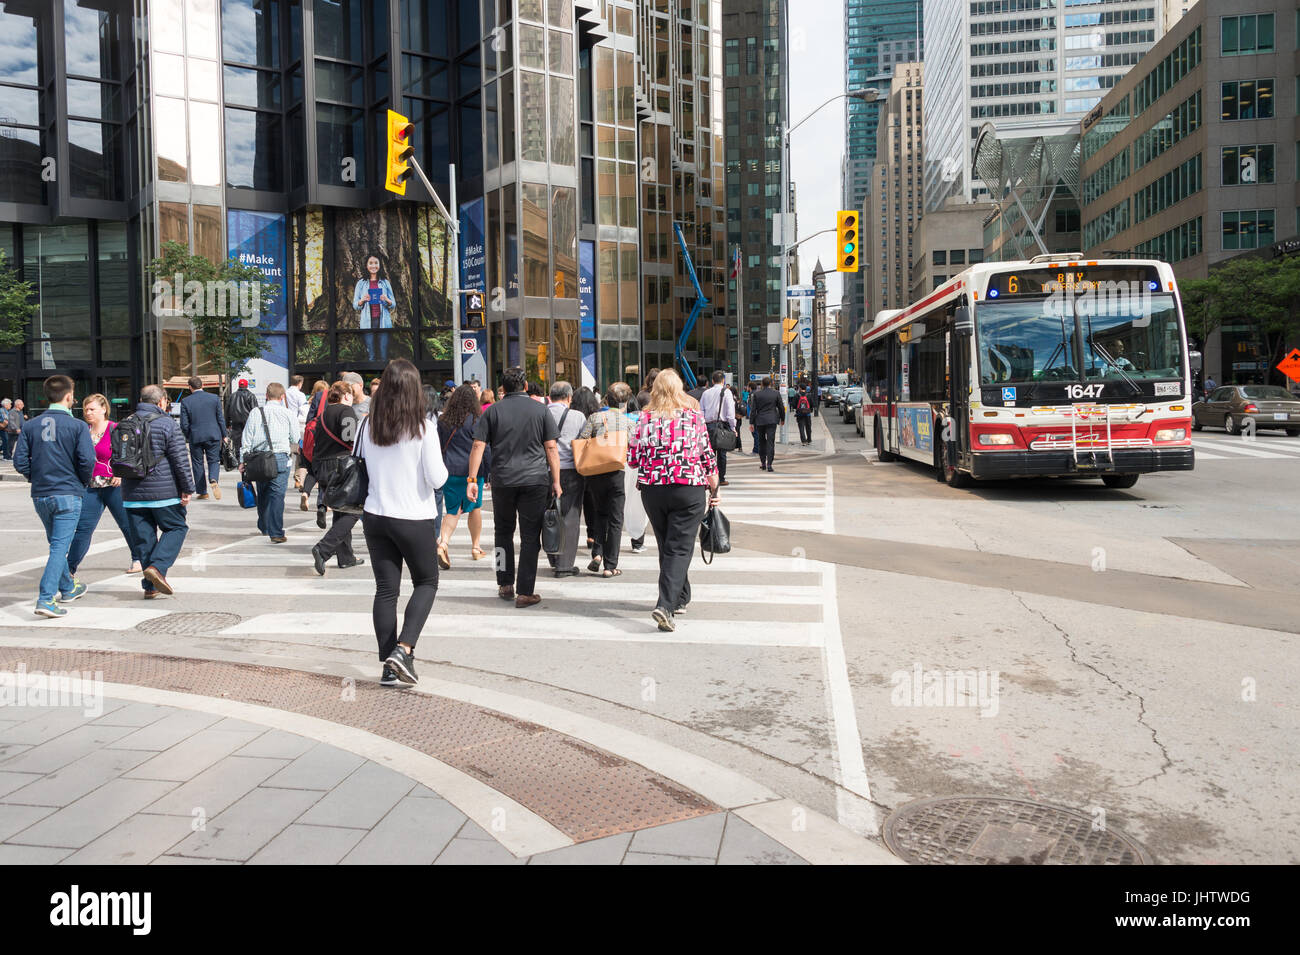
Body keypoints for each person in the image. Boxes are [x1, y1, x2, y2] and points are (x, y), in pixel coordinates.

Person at [357, 358, 448, 686]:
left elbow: (365, 465)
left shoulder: (369, 425)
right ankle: (404, 649)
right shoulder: (424, 428)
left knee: (385, 590)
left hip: (375, 514)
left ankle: (387, 664)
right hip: (412, 516)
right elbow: (437, 479)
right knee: (426, 582)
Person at [628, 369, 719, 632]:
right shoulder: (693, 417)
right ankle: (666, 605)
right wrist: (714, 487)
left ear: (654, 390)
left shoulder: (644, 419)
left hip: (653, 490)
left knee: (668, 543)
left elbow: (632, 458)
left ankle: (680, 596)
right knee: (679, 547)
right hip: (687, 487)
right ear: (679, 390)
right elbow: (706, 453)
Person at [466, 366, 561, 608]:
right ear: (525, 386)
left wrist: (472, 479)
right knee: (530, 537)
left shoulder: (492, 411)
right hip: (534, 480)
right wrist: (557, 481)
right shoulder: (541, 410)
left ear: (503, 388)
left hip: (503, 480)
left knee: (502, 533)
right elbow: (551, 448)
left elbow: (478, 446)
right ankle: (525, 591)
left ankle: (504, 583)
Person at [13, 376, 97, 617]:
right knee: (59, 547)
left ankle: (68, 588)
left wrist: (35, 477)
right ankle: (46, 598)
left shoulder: (31, 425)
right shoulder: (78, 426)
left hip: (41, 494)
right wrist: (80, 481)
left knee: (56, 544)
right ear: (69, 397)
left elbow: (20, 461)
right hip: (68, 492)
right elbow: (87, 460)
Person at [120, 384, 194, 599]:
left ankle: (149, 587)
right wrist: (187, 488)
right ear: (161, 401)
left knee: (144, 540)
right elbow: (180, 460)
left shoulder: (125, 423)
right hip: (164, 492)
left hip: (132, 494)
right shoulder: (167, 423)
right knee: (176, 528)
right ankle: (158, 568)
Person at [66, 393, 147, 578]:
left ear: (104, 409)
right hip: (90, 487)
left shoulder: (116, 429)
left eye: (92, 409)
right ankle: (69, 568)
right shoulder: (82, 431)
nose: (88, 412)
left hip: (114, 485)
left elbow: (130, 455)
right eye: (86, 409)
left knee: (127, 524)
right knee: (84, 527)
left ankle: (138, 559)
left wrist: (121, 475)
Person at [309, 381, 365, 575]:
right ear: (347, 395)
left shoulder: (324, 413)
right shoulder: (346, 411)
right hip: (340, 466)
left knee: (341, 511)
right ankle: (323, 549)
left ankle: (346, 557)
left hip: (323, 466)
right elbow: (350, 437)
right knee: (353, 510)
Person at [577, 382, 632, 576]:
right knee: (615, 519)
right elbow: (634, 447)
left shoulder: (595, 417)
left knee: (600, 513)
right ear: (625, 402)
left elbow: (583, 439)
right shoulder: (628, 422)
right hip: (616, 471)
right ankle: (611, 565)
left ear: (607, 399)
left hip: (596, 472)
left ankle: (597, 554)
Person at [436, 383, 491, 568]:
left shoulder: (443, 420)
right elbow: (484, 448)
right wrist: (489, 471)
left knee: (453, 510)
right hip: (472, 472)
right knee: (474, 508)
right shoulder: (477, 420)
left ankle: (443, 543)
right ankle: (476, 547)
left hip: (449, 470)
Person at [239, 381, 300, 543]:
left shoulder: (255, 412)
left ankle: (265, 526)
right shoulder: (288, 414)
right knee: (277, 496)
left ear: (266, 396)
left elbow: (247, 438)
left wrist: (242, 460)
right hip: (280, 458)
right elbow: (295, 438)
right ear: (282, 397)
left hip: (259, 458)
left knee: (263, 493)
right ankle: (276, 532)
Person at [545, 381, 588, 577]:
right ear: (569, 397)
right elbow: (585, 440)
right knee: (570, 516)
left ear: (550, 395)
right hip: (570, 470)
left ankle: (553, 556)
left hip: (544, 470)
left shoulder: (541, 413)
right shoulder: (578, 416)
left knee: (549, 514)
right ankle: (564, 565)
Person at [179, 376, 226, 500]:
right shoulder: (214, 398)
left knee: (197, 463)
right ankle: (213, 478)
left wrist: (189, 435)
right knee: (213, 460)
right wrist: (224, 435)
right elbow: (220, 419)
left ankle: (202, 492)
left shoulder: (186, 401)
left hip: (196, 436)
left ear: (190, 387)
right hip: (213, 435)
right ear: (202, 386)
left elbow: (184, 424)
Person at [352, 254, 395, 362]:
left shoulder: (385, 282)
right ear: (366, 265)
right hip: (367, 322)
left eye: (376, 263)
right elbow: (355, 305)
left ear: (380, 265)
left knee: (383, 354)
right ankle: (373, 378)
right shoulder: (361, 283)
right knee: (371, 355)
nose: (373, 266)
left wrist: (386, 300)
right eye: (370, 263)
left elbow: (393, 304)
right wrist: (362, 300)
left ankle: (384, 378)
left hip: (383, 322)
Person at [699, 371, 736, 486]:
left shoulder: (706, 393)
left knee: (709, 453)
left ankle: (708, 477)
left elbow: (701, 411)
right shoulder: (727, 392)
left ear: (712, 381)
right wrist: (733, 427)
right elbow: (730, 412)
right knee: (722, 453)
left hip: (708, 425)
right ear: (723, 381)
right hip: (722, 425)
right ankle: (721, 478)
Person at [297, 379, 327, 500]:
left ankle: (306, 492)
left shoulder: (315, 398)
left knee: (312, 470)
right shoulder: (334, 397)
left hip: (312, 437)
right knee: (325, 470)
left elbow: (310, 419)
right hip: (327, 439)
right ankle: (322, 503)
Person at [749, 376, 784, 472]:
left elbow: (753, 410)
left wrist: (751, 422)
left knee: (761, 441)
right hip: (772, 420)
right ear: (771, 384)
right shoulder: (776, 393)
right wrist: (782, 419)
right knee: (770, 442)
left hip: (760, 420)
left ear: (762, 384)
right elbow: (781, 407)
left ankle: (763, 463)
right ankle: (769, 464)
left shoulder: (757, 394)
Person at [225, 378, 258, 456]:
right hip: (248, 422)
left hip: (235, 422)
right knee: (248, 441)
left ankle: (239, 459)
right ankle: (247, 457)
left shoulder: (232, 396)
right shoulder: (251, 395)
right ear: (246, 385)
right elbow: (255, 410)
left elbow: (227, 411)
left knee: (237, 442)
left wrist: (227, 424)